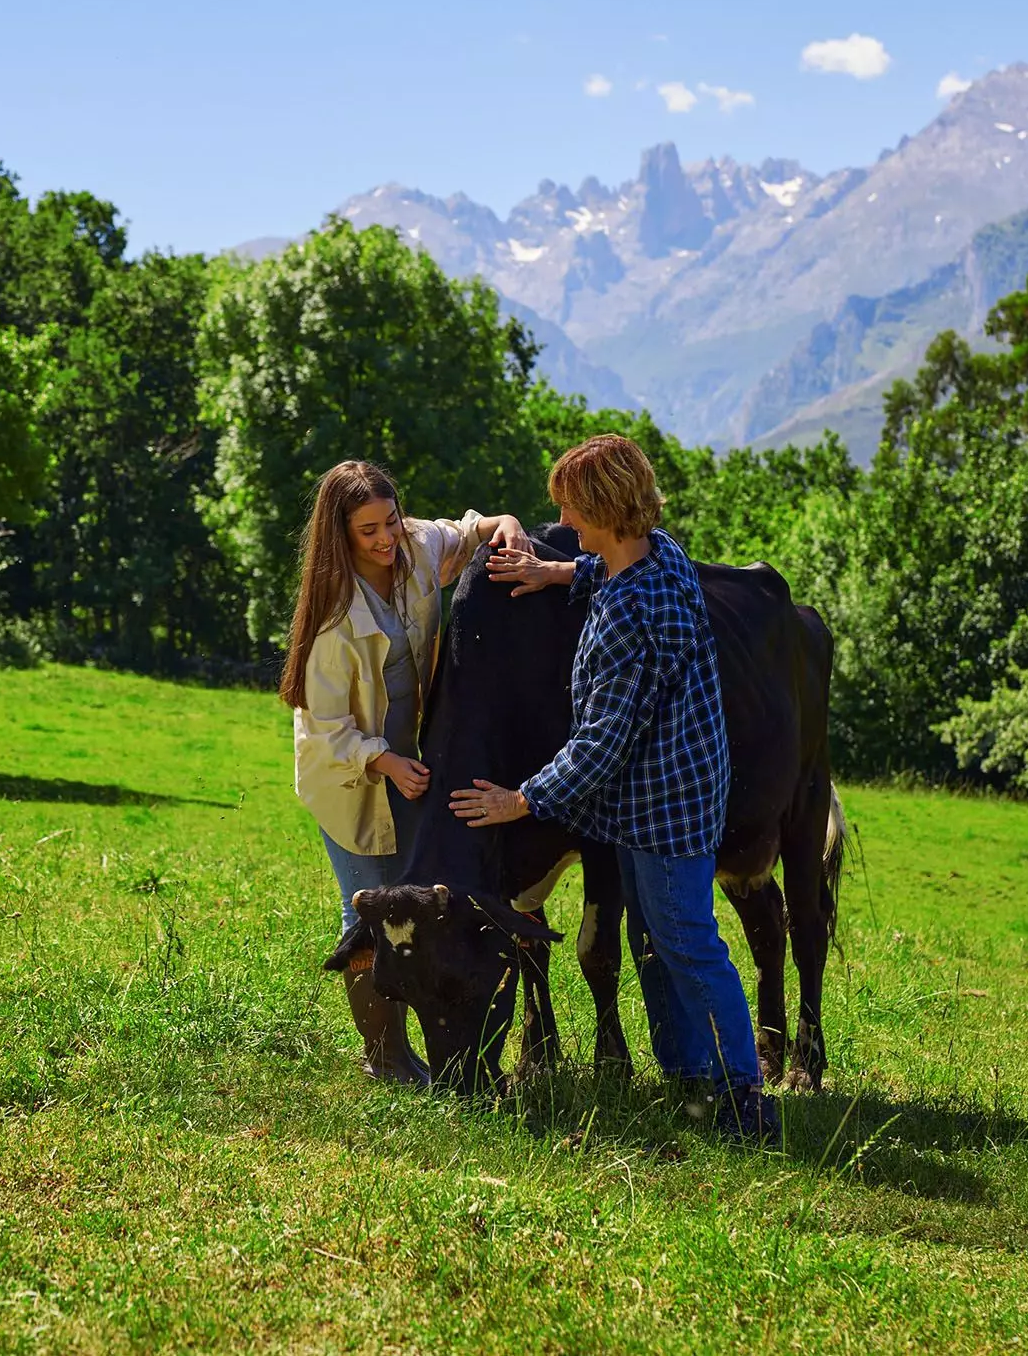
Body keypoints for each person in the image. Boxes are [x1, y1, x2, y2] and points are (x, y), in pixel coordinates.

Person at [449, 435, 777, 1142]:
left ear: (602, 504)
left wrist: (520, 800)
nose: (561, 513)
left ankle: (742, 1099)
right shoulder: (664, 557)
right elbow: (609, 567)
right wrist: (557, 571)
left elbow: (601, 744)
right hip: (679, 788)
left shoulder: (631, 613)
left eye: (569, 502)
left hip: (661, 810)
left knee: (687, 942)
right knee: (656, 942)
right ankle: (689, 1077)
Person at [282, 460, 532, 1084]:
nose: (385, 538)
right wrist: (385, 760)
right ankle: (385, 1059)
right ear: (339, 533)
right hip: (351, 775)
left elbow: (468, 531)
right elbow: (325, 731)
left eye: (390, 520)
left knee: (411, 909)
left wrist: (507, 523)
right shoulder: (332, 620)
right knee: (367, 911)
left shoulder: (417, 547)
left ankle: (430, 1050)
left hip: (409, 770)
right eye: (367, 529)